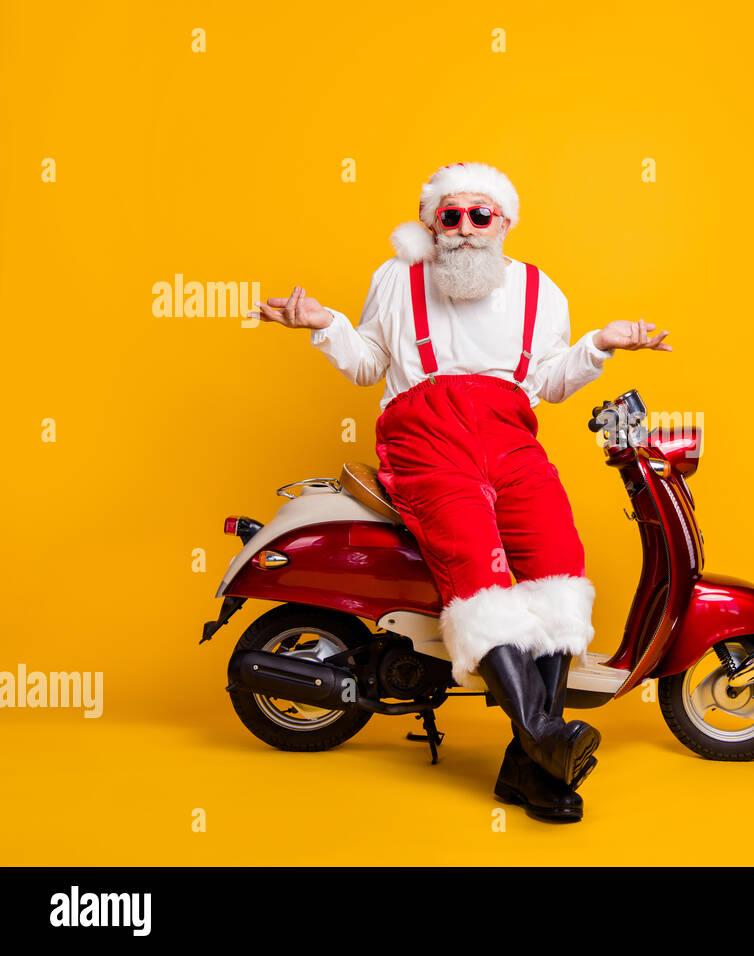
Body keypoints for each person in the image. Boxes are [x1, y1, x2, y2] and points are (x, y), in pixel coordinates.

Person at [251, 161, 671, 822]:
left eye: (482, 215)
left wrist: (600, 344)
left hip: (511, 439)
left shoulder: (541, 291)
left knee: (560, 562)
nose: (467, 229)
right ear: (430, 225)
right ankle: (541, 737)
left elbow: (552, 382)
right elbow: (367, 364)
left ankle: (527, 766)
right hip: (426, 441)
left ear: (504, 223)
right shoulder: (396, 281)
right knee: (474, 565)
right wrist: (323, 323)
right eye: (452, 216)